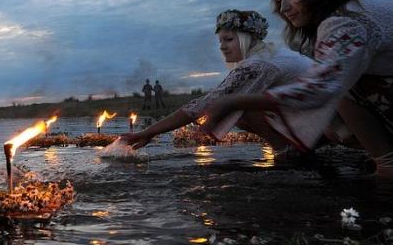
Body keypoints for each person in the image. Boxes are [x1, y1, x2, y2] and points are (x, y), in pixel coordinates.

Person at [203, 0, 393, 177]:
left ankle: (387, 165)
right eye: (279, 0)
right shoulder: (363, 4)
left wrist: (232, 102)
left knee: (339, 85)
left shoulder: (346, 21)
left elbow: (319, 88)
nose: (283, 9)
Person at [121, 9, 313, 151]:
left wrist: (147, 132)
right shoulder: (273, 54)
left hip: (323, 118)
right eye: (220, 41)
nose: (222, 47)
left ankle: (287, 152)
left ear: (247, 39)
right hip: (314, 112)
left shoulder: (258, 65)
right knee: (239, 106)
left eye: (229, 40)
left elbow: (203, 104)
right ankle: (288, 146)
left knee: (239, 108)